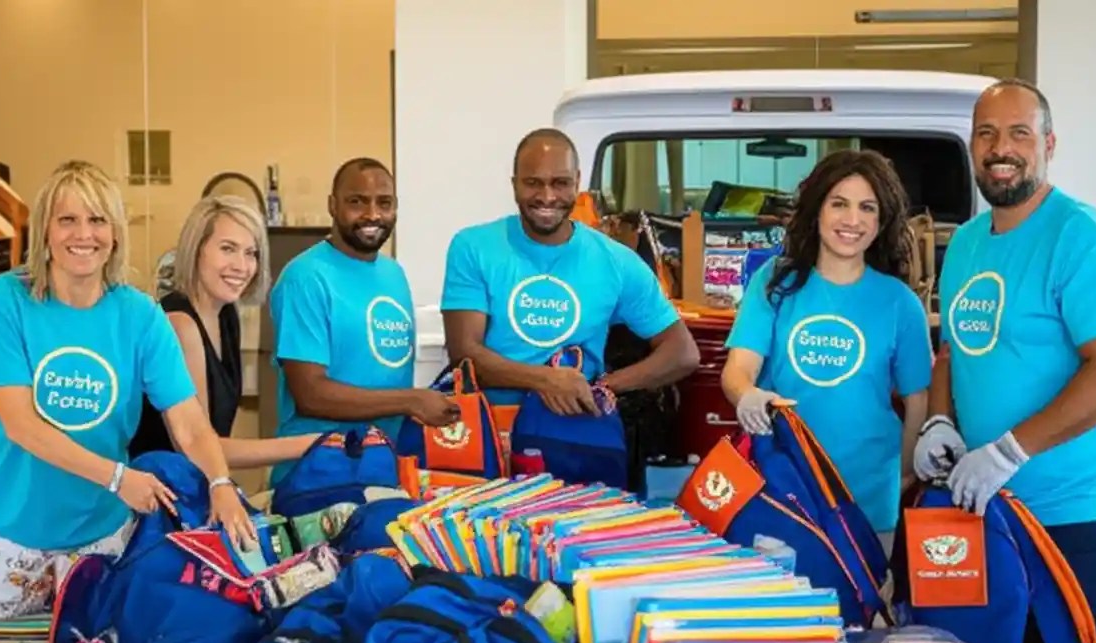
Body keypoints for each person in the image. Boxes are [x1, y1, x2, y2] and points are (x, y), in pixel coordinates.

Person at [913, 79, 1096, 643]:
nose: (1001, 148)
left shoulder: (1082, 237)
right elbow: (954, 352)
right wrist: (939, 418)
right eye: (987, 134)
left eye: (1019, 133)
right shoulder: (966, 242)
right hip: (990, 511)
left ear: (1048, 144)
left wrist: (1010, 450)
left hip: (1080, 515)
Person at [0, 160, 253, 625]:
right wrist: (117, 478)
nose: (83, 234)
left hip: (96, 533)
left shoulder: (140, 315)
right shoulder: (6, 299)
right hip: (2, 528)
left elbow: (189, 423)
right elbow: (22, 425)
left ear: (114, 232)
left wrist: (220, 482)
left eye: (97, 220)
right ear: (45, 231)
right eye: (67, 219)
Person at [720, 149, 933, 551]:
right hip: (782, 487)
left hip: (867, 497)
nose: (852, 220)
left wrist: (903, 475)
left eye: (867, 208)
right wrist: (747, 395)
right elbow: (738, 368)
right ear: (817, 210)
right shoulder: (775, 282)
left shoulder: (899, 303)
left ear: (881, 222)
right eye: (839, 204)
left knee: (861, 610)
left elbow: (918, 400)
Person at [441, 128, 700, 418]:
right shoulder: (473, 247)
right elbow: (464, 355)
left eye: (560, 183)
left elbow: (682, 352)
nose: (547, 196)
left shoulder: (615, 260)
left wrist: (600, 387)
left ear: (577, 183)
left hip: (572, 429)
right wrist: (547, 380)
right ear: (514, 185)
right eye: (533, 183)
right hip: (486, 429)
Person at [268, 158, 457, 484]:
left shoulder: (393, 273)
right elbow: (311, 394)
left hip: (383, 467)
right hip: (318, 473)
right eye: (357, 202)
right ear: (332, 205)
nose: (372, 214)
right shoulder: (306, 277)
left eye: (384, 203)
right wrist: (412, 400)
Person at [129, 196, 319, 466]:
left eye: (251, 253)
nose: (242, 266)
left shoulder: (227, 315)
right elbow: (200, 448)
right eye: (228, 248)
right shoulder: (180, 325)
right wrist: (310, 443)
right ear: (196, 250)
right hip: (157, 494)